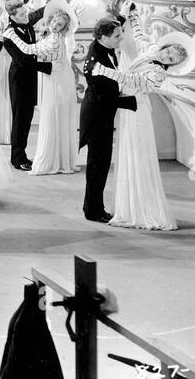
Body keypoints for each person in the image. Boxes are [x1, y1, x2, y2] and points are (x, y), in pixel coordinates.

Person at [110, 34, 188, 231]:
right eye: (168, 51)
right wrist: (133, 16)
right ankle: (127, 206)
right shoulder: (152, 51)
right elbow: (139, 36)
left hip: (137, 110)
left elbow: (137, 81)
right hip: (127, 107)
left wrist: (107, 72)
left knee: (136, 154)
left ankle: (140, 210)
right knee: (127, 152)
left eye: (171, 59)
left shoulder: (158, 73)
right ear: (165, 46)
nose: (166, 56)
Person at [79, 17, 137, 223]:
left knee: (101, 164)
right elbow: (102, 97)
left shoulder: (103, 47)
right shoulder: (95, 61)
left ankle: (94, 207)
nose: (121, 39)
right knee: (97, 166)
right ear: (103, 37)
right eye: (117, 36)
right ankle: (93, 210)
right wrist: (130, 101)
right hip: (97, 118)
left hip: (103, 115)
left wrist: (123, 16)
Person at [3, 0, 54, 171]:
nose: (26, 16)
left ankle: (22, 155)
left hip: (30, 77)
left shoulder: (26, 21)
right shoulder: (9, 35)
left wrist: (53, 2)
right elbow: (23, 61)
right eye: (23, 15)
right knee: (20, 120)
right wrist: (47, 67)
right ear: (12, 16)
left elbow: (39, 13)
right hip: (19, 79)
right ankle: (17, 158)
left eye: (26, 13)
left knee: (28, 117)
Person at [30, 0, 80, 175]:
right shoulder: (50, 35)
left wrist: (12, 38)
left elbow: (32, 50)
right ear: (50, 19)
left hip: (59, 78)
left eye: (60, 24)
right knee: (53, 114)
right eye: (54, 22)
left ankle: (54, 160)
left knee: (54, 114)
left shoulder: (56, 40)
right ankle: (59, 158)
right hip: (54, 75)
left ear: (65, 27)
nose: (56, 25)